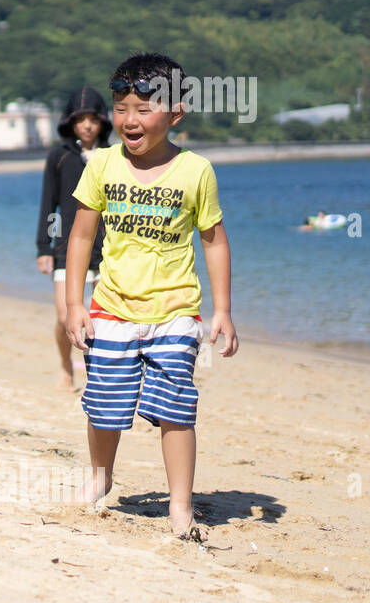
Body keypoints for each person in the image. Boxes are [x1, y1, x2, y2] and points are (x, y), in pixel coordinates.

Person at [65, 53, 239, 540]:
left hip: (176, 311)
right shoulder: (101, 164)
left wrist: (222, 310)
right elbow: (80, 236)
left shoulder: (195, 170)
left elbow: (214, 240)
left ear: (175, 114)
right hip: (112, 308)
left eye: (144, 108)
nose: (130, 120)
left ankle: (180, 505)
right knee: (104, 406)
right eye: (121, 108)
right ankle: (100, 479)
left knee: (176, 409)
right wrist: (75, 303)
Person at [35, 87, 111, 390]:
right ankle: (66, 366)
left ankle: (98, 374)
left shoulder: (112, 155)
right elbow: (48, 202)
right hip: (66, 246)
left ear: (103, 122)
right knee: (66, 314)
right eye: (81, 120)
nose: (88, 125)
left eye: (93, 119)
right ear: (70, 122)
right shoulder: (58, 156)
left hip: (106, 248)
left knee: (102, 318)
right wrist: (44, 247)